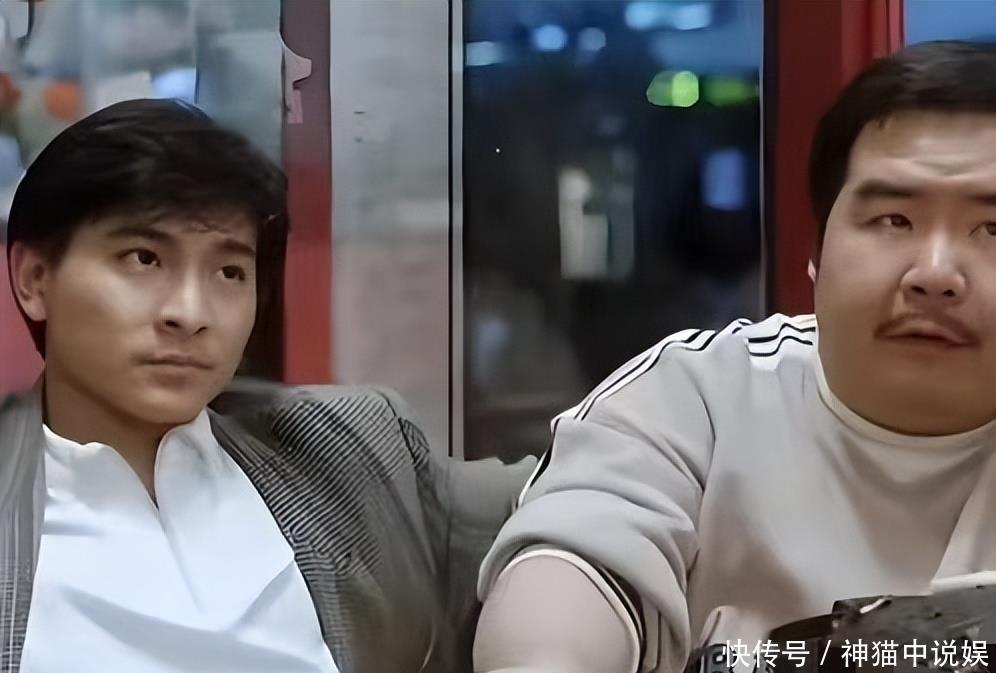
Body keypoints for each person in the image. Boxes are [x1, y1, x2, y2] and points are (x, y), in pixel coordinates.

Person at [473, 40, 996, 673]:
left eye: (992, 229)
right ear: (816, 256)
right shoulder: (698, 396)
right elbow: (574, 565)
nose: (935, 274)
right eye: (893, 220)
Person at [0, 98, 533, 673]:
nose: (190, 313)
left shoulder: (342, 446)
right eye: (144, 259)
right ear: (35, 280)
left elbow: (571, 490)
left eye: (230, 272)